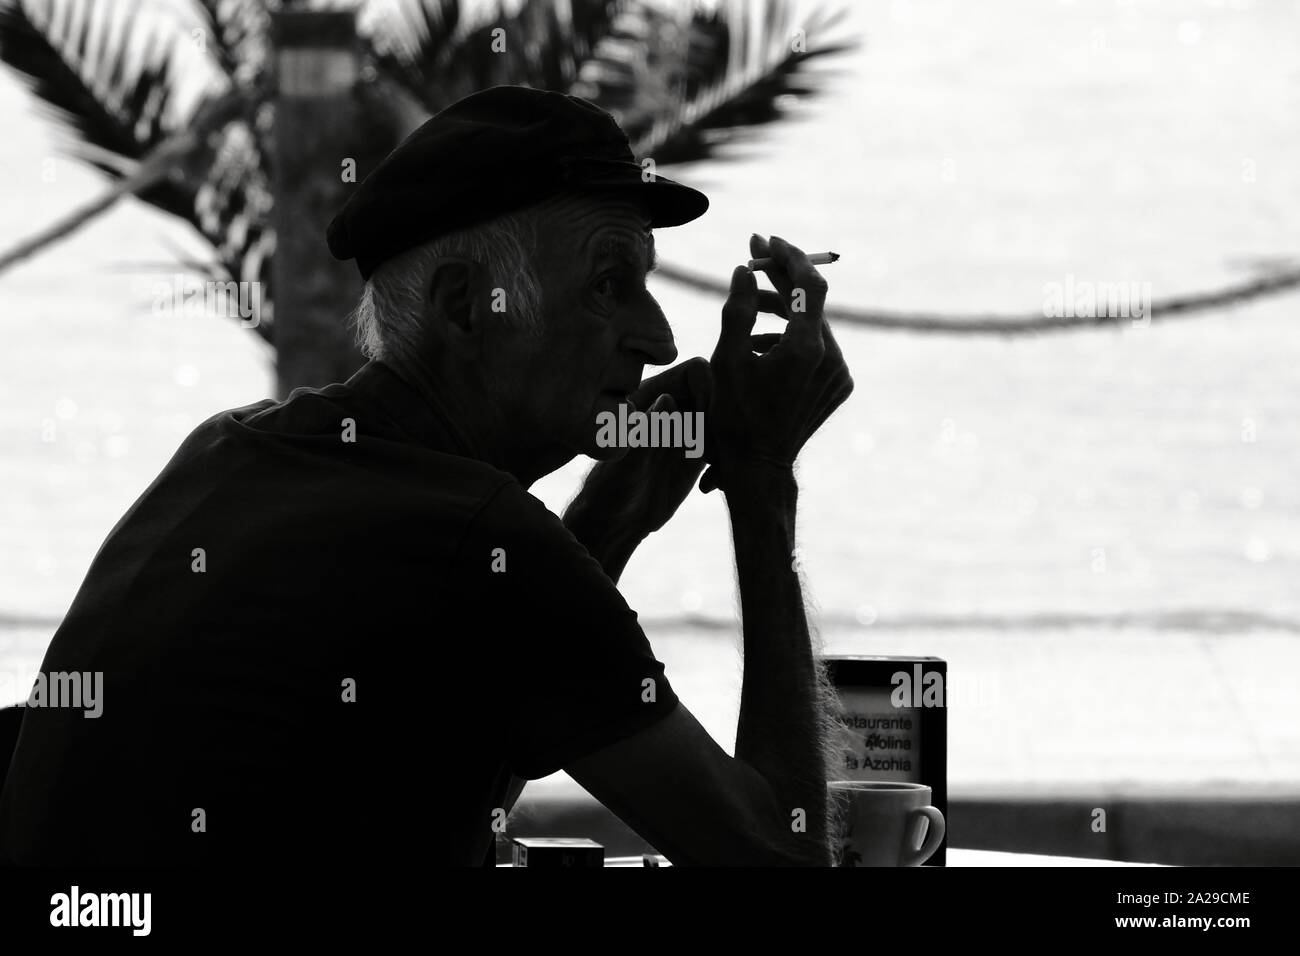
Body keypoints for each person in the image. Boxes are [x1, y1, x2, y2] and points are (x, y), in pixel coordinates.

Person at [0, 86, 852, 868]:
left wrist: (611, 516)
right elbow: (780, 858)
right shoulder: (480, 543)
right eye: (607, 286)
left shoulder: (229, 453)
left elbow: (463, 761)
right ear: (460, 306)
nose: (660, 339)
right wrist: (763, 480)